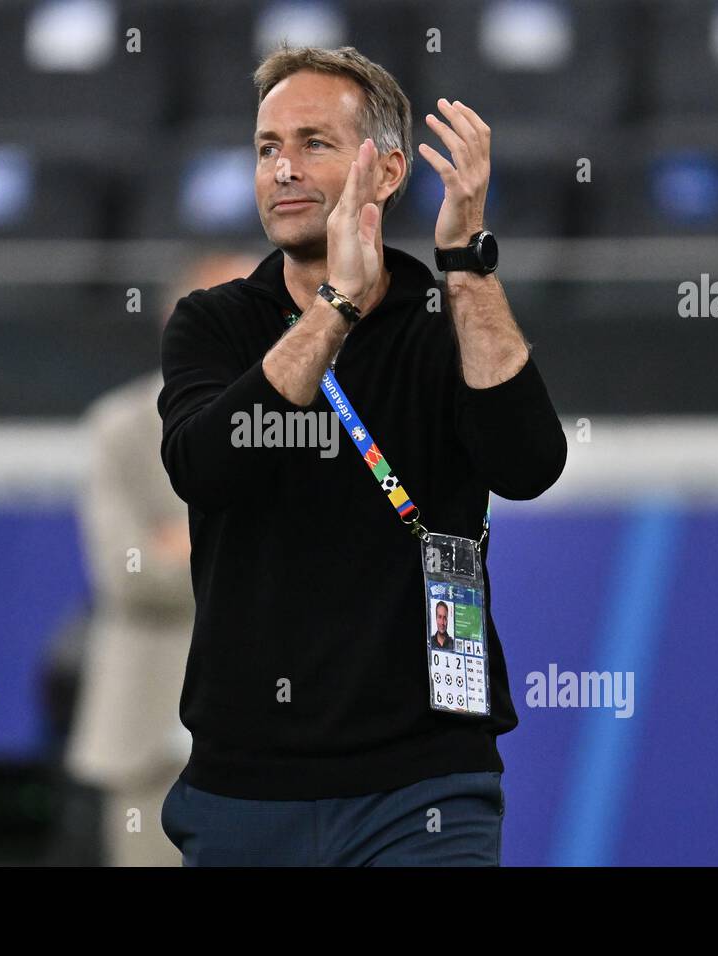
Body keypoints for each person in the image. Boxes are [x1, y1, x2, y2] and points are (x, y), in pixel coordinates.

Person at [157, 46, 566, 866]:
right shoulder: (213, 323)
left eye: (314, 143)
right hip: (247, 788)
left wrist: (465, 267)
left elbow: (529, 466)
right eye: (268, 147)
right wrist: (334, 308)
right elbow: (204, 465)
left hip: (425, 786)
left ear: (383, 173)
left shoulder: (445, 318)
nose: (282, 169)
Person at [68, 253, 260, 867]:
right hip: (147, 744)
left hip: (274, 741)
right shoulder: (117, 427)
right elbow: (129, 575)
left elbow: (315, 575)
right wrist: (240, 542)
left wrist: (183, 539)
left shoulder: (315, 423)